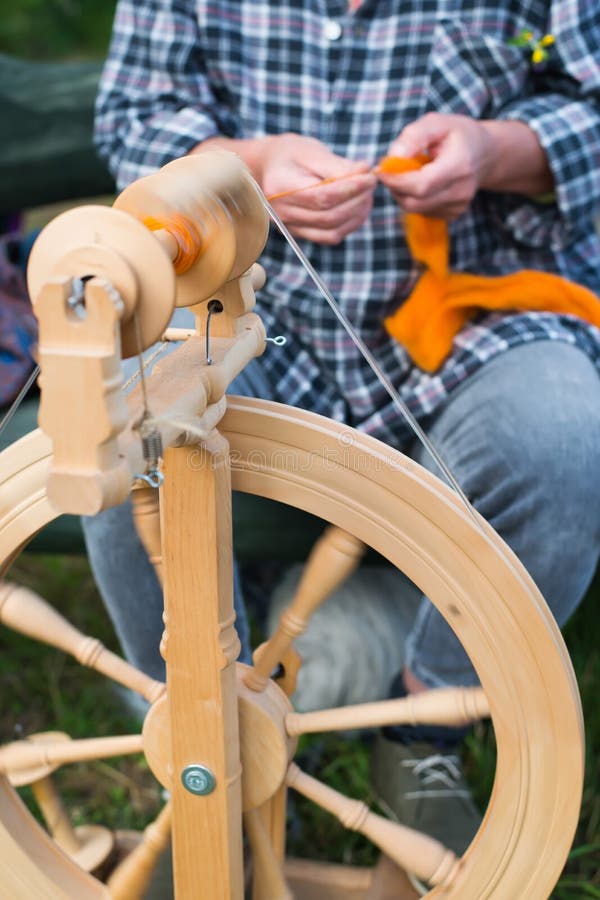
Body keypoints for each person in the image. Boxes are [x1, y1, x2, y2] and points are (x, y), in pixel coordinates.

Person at [87, 0, 600, 870]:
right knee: (127, 450)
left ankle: (419, 722)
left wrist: (495, 151)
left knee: (561, 440)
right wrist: (244, 168)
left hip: (470, 310)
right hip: (250, 315)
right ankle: (207, 741)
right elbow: (135, 120)